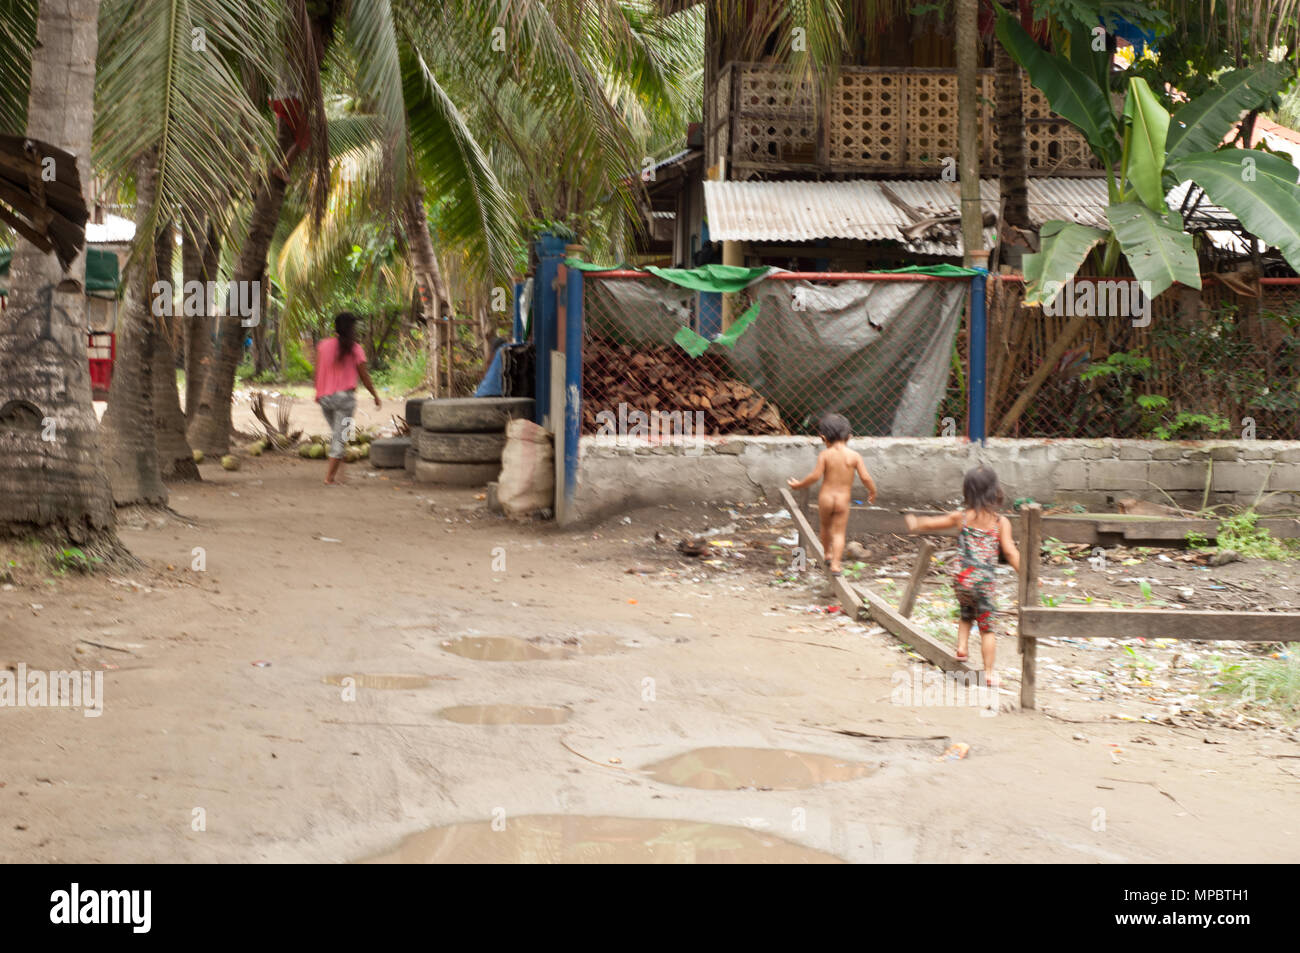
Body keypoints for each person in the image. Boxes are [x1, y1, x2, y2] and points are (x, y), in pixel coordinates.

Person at [904, 466, 1021, 686]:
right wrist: (1027, 574)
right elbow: (1011, 552)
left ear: (968, 492)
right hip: (984, 583)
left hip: (962, 579)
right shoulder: (1000, 522)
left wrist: (916, 522)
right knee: (987, 629)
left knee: (966, 613)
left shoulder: (962, 517)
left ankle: (962, 648)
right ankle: (988, 672)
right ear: (995, 491)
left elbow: (933, 523)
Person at [787, 413, 877, 576]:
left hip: (826, 498)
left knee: (825, 528)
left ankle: (827, 553)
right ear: (849, 437)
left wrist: (799, 484)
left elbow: (814, 476)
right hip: (843, 500)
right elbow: (865, 477)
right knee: (839, 532)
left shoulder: (825, 455)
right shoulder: (854, 456)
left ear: (823, 438)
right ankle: (836, 564)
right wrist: (872, 490)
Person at [313, 311, 380, 486]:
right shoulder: (355, 348)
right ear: (351, 329)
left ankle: (341, 474)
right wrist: (375, 395)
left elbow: (317, 371)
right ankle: (329, 479)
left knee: (338, 436)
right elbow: (365, 377)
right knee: (340, 438)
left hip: (325, 399)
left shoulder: (323, 345)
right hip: (345, 400)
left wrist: (319, 392)